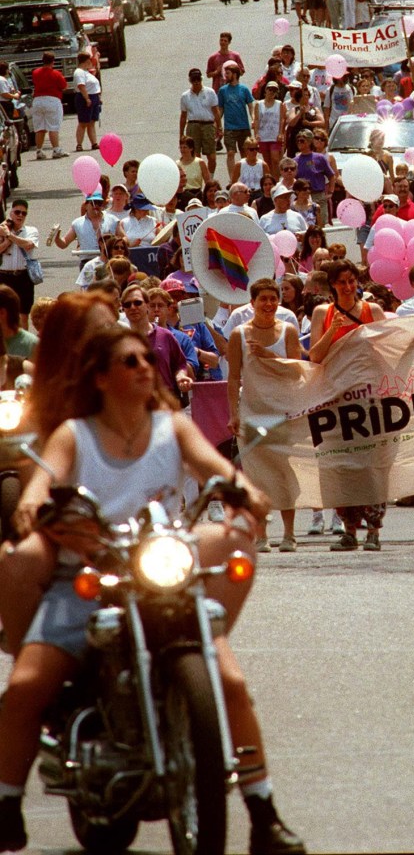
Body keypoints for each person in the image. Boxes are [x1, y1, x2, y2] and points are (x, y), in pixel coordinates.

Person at [0, 324, 305, 855]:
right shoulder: (74, 434)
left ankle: (263, 813)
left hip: (163, 577)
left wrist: (246, 491)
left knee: (229, 683)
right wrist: (33, 502)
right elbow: (44, 484)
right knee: (27, 686)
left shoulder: (171, 427)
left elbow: (214, 466)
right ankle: (5, 805)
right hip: (90, 579)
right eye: (130, 362)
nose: (145, 367)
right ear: (100, 378)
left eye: (146, 358)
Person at [309, 260, 386, 551]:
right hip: (335, 400)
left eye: (352, 281)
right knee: (342, 464)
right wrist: (333, 331)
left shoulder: (372, 311)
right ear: (332, 285)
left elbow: (388, 349)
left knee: (371, 464)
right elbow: (315, 357)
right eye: (342, 282)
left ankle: (374, 531)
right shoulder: (323, 313)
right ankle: (349, 530)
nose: (348, 287)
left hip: (368, 399)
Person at [228, 279, 302, 553]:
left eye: (273, 299)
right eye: (264, 300)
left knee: (283, 471)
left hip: (282, 411)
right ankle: (261, 535)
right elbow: (233, 377)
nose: (269, 304)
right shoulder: (239, 334)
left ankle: (290, 534)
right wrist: (233, 413)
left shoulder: (288, 331)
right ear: (253, 303)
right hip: (252, 410)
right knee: (257, 476)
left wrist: (269, 355)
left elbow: (297, 369)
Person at [120, 282, 192, 398]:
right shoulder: (120, 341)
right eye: (127, 305)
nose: (133, 307)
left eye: (137, 303)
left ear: (147, 305)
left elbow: (180, 364)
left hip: (165, 402)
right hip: (135, 404)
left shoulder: (165, 335)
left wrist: (181, 377)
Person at [0, 200, 39, 328]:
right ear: (10, 212)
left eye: (24, 213)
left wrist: (9, 236)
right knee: (4, 313)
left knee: (23, 314)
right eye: (17, 212)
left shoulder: (31, 230)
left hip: (23, 276)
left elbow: (28, 245)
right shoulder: (2, 231)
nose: (20, 215)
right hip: (4, 276)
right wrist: (6, 240)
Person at [179, 68, 221, 177]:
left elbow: (216, 111)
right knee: (195, 156)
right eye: (194, 80)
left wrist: (219, 127)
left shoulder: (210, 92)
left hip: (208, 125)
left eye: (198, 79)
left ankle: (210, 177)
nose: (196, 82)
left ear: (201, 79)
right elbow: (183, 116)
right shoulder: (185, 96)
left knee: (211, 156)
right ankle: (198, 178)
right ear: (190, 81)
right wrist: (181, 133)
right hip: (193, 125)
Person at [218, 62, 254, 183]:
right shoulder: (223, 90)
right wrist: (217, 125)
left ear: (234, 74)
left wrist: (253, 118)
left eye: (228, 73)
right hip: (229, 128)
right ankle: (233, 179)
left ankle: (246, 177)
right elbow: (220, 109)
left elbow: (250, 106)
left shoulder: (244, 89)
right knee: (230, 153)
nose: (225, 76)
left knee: (245, 153)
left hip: (243, 126)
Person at [54, 192, 122, 252]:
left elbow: (124, 239)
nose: (96, 206)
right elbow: (64, 243)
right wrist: (57, 237)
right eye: (93, 203)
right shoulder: (77, 223)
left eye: (99, 203)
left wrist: (116, 245)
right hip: (87, 261)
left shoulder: (113, 220)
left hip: (108, 261)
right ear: (86, 205)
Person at [31, 51, 68, 160]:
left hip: (38, 100)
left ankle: (39, 150)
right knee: (53, 126)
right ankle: (56, 149)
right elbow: (64, 86)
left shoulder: (36, 72)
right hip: (52, 100)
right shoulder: (56, 73)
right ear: (53, 61)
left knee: (40, 127)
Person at [72, 52, 101, 152]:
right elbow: (81, 86)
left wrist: (98, 97)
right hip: (85, 97)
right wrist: (87, 98)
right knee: (83, 122)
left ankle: (94, 142)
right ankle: (79, 144)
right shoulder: (79, 72)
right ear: (86, 61)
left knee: (92, 122)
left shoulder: (87, 72)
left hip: (94, 96)